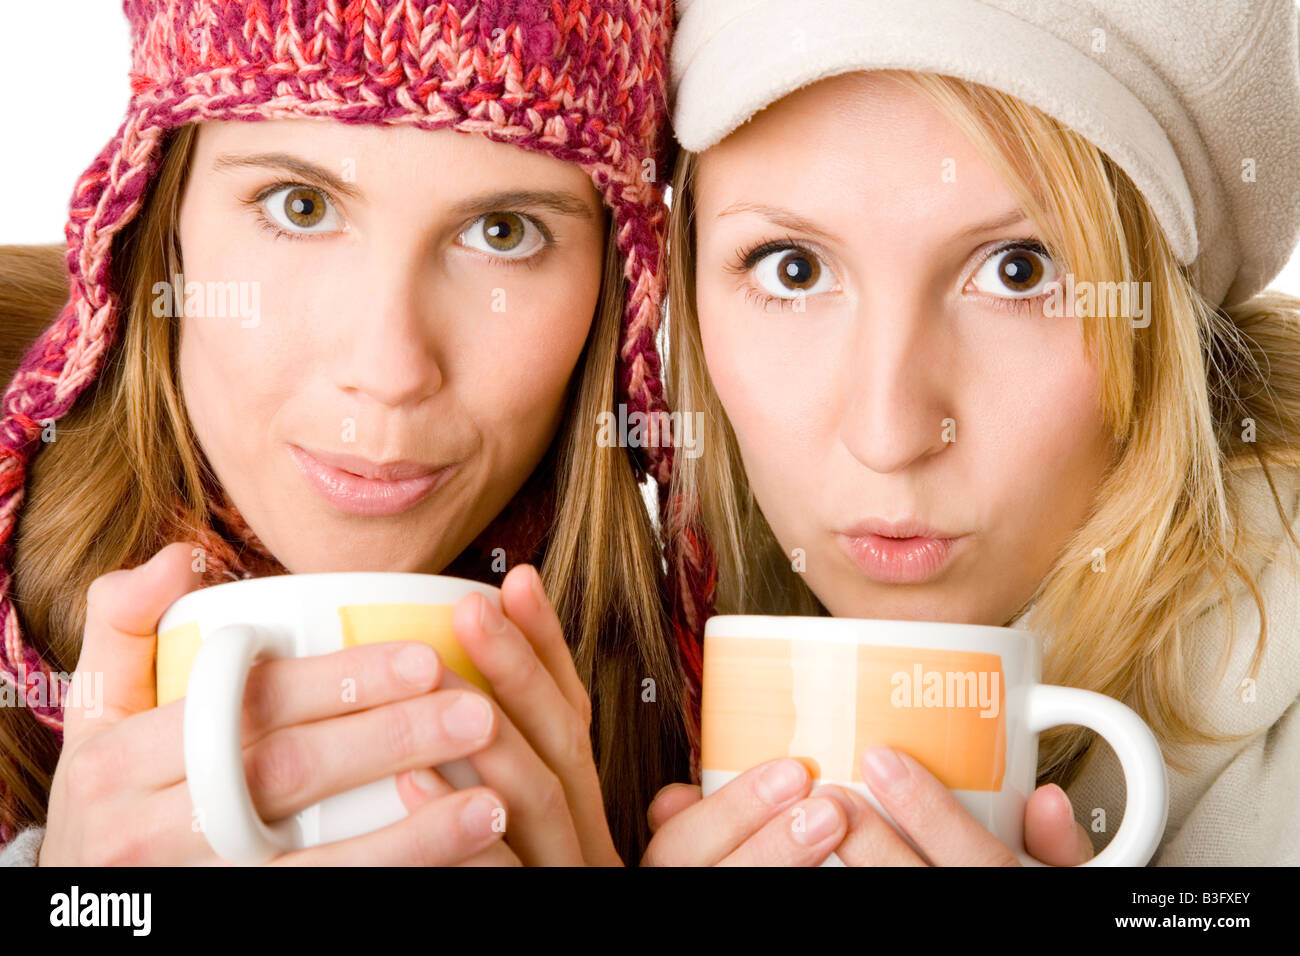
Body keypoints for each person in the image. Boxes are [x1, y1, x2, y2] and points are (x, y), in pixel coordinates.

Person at [0, 0, 693, 866]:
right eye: (299, 205)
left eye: (502, 233)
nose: (392, 368)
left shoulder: (729, 715)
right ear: (153, 222)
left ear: (619, 290)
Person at [644, 0, 1300, 865]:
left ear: (1163, 322)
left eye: (1017, 270)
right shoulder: (608, 689)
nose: (889, 436)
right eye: (793, 269)